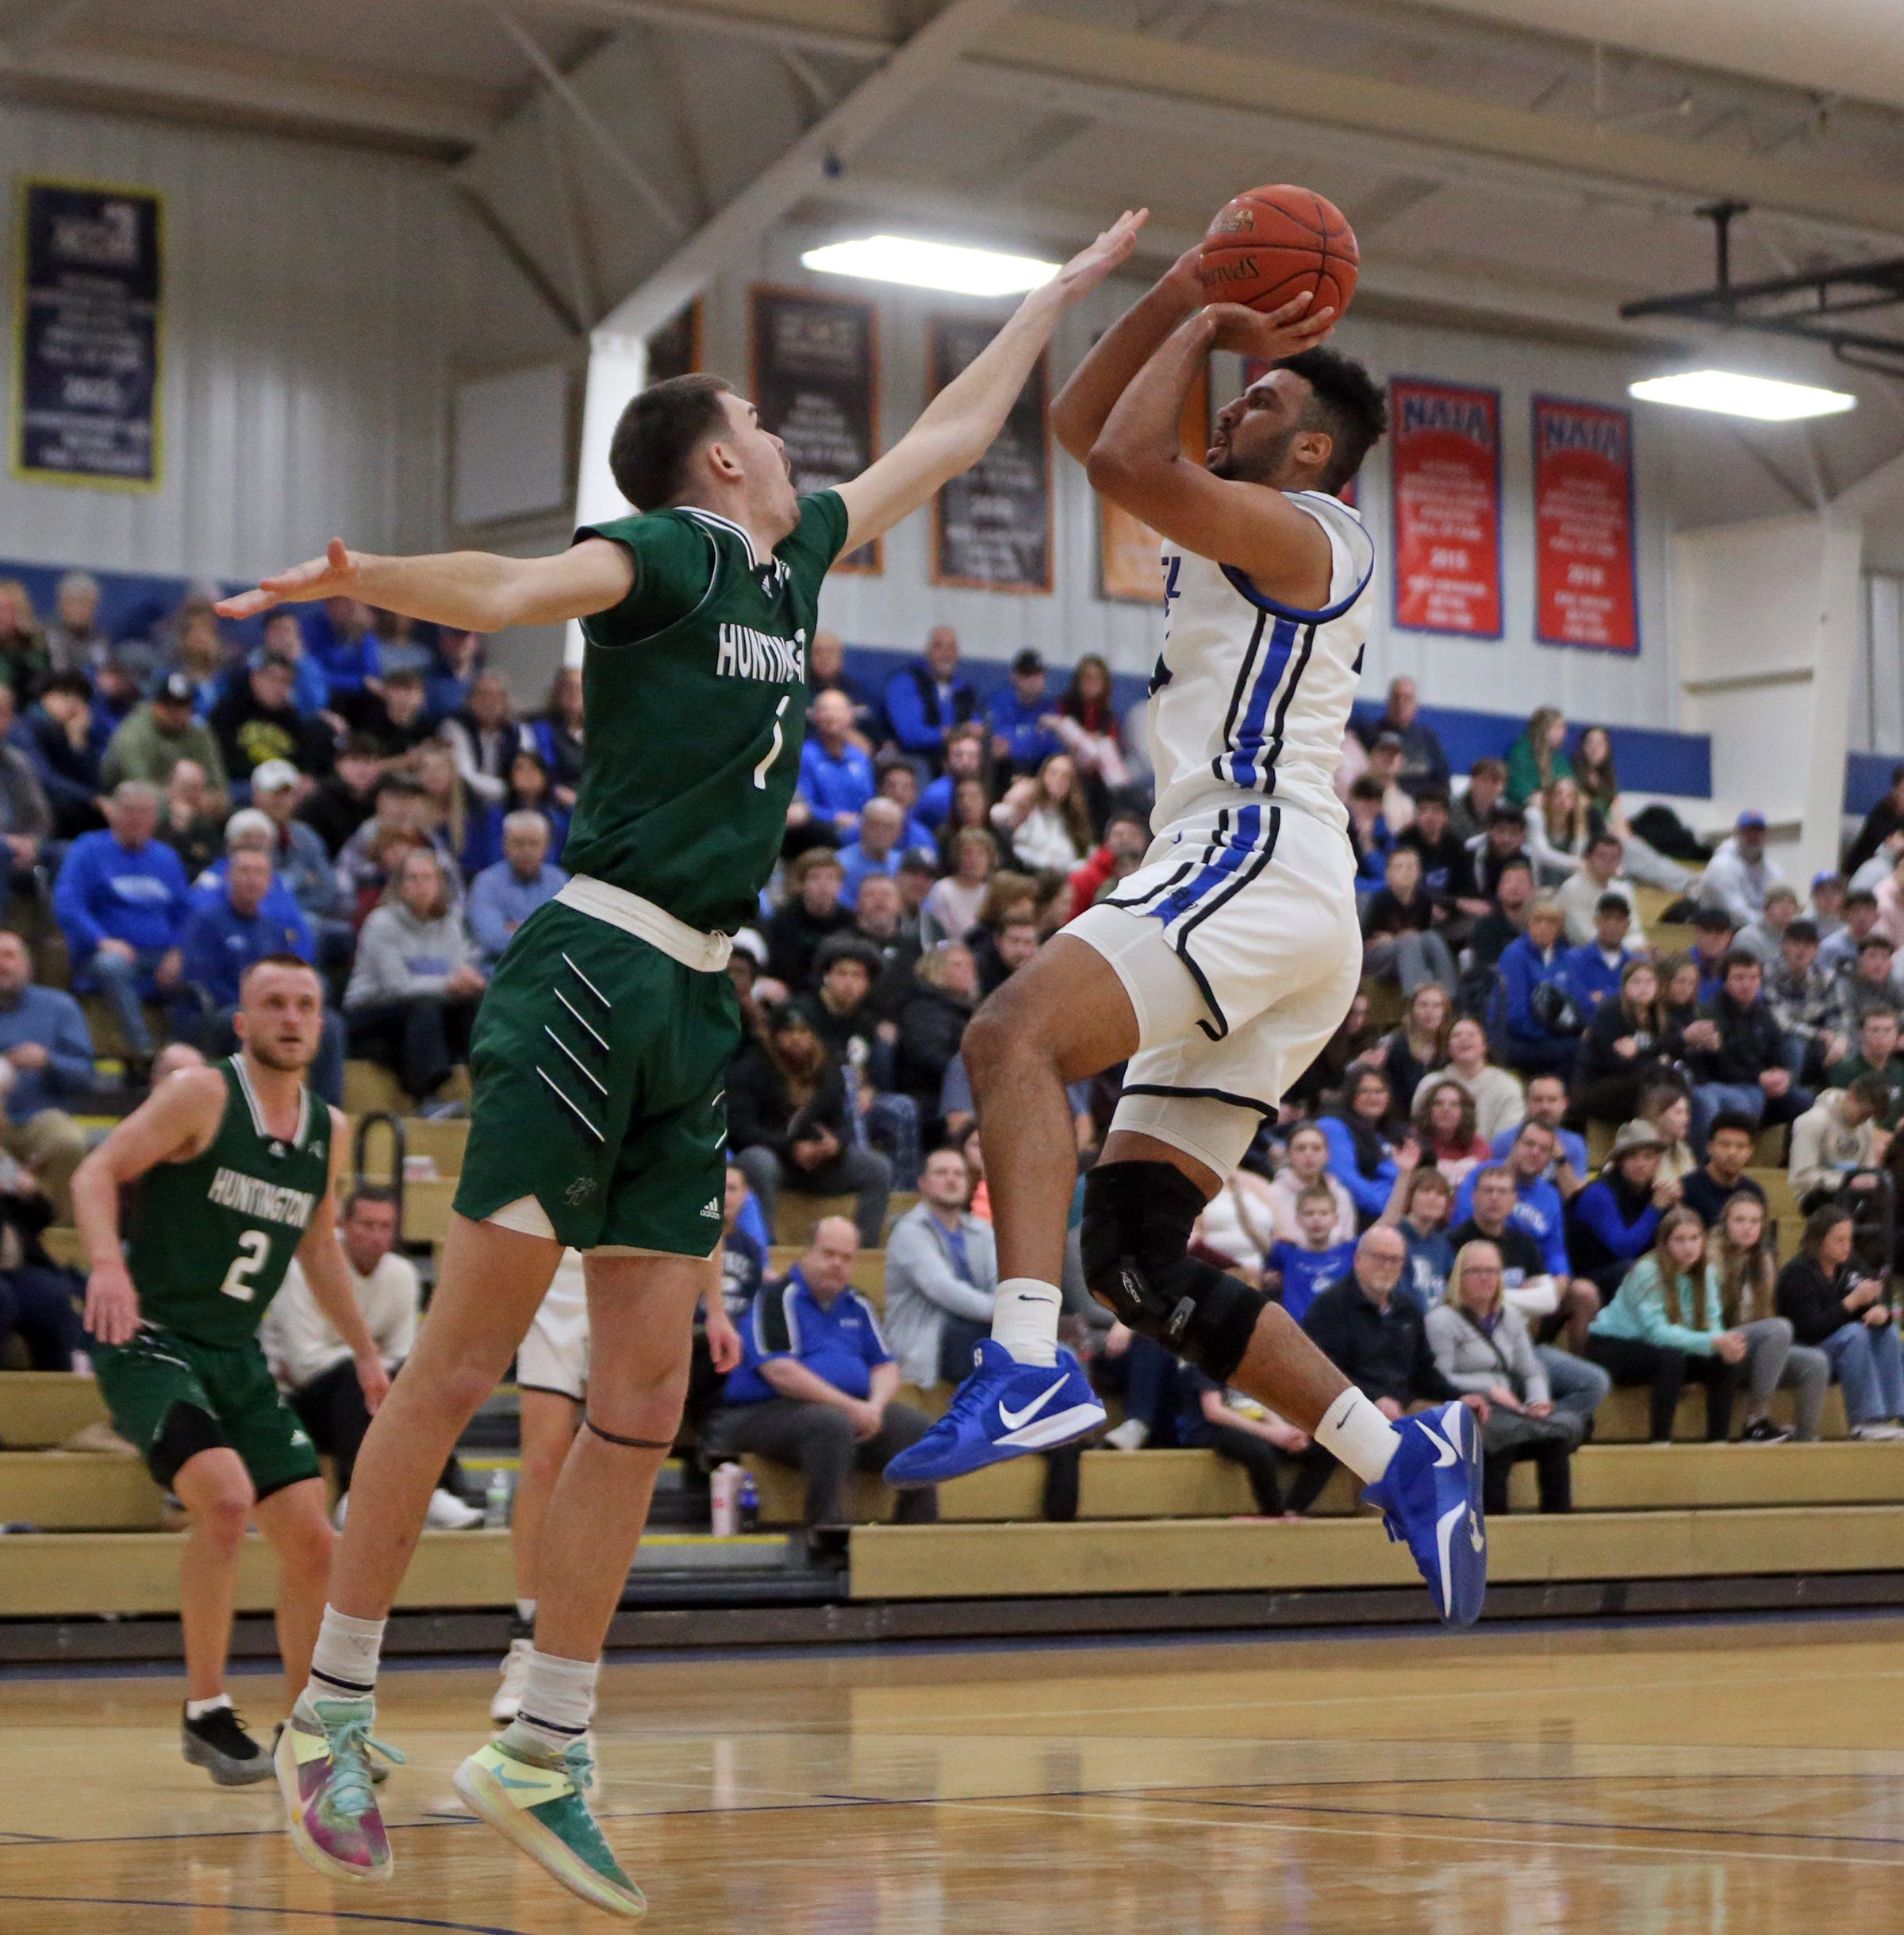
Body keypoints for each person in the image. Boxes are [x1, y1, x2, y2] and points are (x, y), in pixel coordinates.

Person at [218, 211, 1149, 1913]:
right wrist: (370, 579)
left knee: (644, 1404)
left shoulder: (792, 567)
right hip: (587, 974)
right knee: (457, 1367)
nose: (800, 450)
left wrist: (1054, 301)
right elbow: (510, 590)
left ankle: (540, 1739)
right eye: (771, 428)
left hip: (699, 999)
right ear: (721, 453)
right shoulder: (666, 548)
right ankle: (333, 1705)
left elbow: (946, 440)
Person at [886, 246, 1490, 1635]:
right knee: (1144, 1253)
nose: (1234, 408)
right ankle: (1406, 1460)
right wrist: (1180, 302)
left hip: (1256, 859)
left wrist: (1216, 317)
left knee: (1007, 1032)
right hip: (1267, 898)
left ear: (1319, 448)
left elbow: (1130, 464)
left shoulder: (1319, 532)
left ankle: (1027, 1356)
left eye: (1261, 399)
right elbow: (1088, 433)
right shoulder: (1231, 520)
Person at [74, 955, 384, 1785]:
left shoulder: (330, 1127)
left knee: (316, 1544)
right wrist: (106, 1264)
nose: (291, 1017)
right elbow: (94, 1171)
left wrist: (363, 1349)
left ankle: (312, 1731)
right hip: (152, 1336)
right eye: (273, 1003)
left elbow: (318, 1246)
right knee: (225, 1500)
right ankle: (206, 1712)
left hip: (237, 1353)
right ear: (242, 1023)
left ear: (322, 1026)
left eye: (306, 1004)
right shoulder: (204, 1095)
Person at [263, 1187, 478, 1526]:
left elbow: (402, 1357)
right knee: (356, 1376)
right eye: (366, 1225)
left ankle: (433, 1490)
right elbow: (302, 1364)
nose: (376, 1236)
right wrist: (367, 1361)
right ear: (343, 1225)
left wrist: (374, 1367)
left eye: (385, 1227)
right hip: (295, 1404)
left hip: (368, 1399)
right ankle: (355, 1492)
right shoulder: (304, 1269)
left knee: (415, 1379)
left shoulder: (402, 1275)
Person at [704, 1216, 939, 1522]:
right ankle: (825, 1532)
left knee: (918, 1428)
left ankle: (914, 1534)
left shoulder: (858, 1303)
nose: (837, 1265)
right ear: (806, 1253)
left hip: (845, 1414)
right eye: (828, 1254)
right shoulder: (776, 1298)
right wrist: (850, 1407)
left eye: (846, 1258)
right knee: (830, 1423)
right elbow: (780, 1372)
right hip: (766, 1413)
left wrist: (875, 1407)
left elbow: (885, 1365)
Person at [1282, 1223, 1486, 1514]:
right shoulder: (1330, 1308)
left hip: (1401, 1403)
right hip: (1347, 1408)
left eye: (1395, 1260)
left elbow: (1422, 1371)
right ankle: (1377, 1532)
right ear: (1358, 1259)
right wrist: (1374, 1400)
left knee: (1460, 1420)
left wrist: (1459, 1396)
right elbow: (1326, 1375)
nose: (1387, 1267)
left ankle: (1458, 1518)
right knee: (1381, 1437)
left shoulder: (1408, 1309)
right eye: (1379, 1258)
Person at [178, 846, 345, 1106]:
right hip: (217, 1013)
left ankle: (326, 1111)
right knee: (249, 1021)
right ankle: (245, 1109)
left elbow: (292, 978)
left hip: (268, 1010)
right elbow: (199, 979)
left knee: (330, 1025)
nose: (251, 879)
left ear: (269, 882)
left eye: (259, 873)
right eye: (244, 871)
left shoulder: (274, 931)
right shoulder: (205, 922)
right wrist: (257, 1005)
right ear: (229, 878)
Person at [1426, 1240, 1580, 1513]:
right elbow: (1438, 1377)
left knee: (1556, 1438)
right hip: (1473, 1410)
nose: (1485, 1278)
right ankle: (1496, 1524)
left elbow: (1532, 1369)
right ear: (1459, 1276)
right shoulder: (1441, 1319)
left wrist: (1537, 1401)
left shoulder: (1510, 1317)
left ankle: (1559, 1524)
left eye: (1493, 1271)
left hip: (1510, 1408)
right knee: (1502, 1436)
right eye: (1476, 1271)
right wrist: (1489, 1388)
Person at [52, 779, 191, 1075]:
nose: (137, 819)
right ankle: (143, 1053)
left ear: (156, 818)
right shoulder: (89, 849)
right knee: (112, 965)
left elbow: (185, 913)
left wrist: (178, 951)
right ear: (113, 813)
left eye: (145, 812)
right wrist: (103, 940)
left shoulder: (167, 858)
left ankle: (190, 1058)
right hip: (102, 956)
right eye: (129, 810)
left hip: (159, 955)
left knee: (201, 966)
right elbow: (68, 903)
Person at [1586, 1207, 1747, 1442]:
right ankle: (1660, 1444)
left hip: (1662, 1348)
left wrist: (1723, 1344)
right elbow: (1657, 1334)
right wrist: (1712, 1341)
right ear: (1665, 1243)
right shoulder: (1647, 1271)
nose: (1689, 1247)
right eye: (1679, 1240)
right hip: (1614, 1346)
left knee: (1722, 1361)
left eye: (1694, 1238)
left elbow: (1713, 1324)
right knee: (1671, 1358)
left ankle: (1718, 1443)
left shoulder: (1706, 1273)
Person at [342, 846, 487, 1106]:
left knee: (473, 1007)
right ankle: (427, 1099)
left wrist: (470, 981)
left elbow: (457, 970)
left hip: (425, 1010)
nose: (421, 885)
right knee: (424, 1009)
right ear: (400, 885)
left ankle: (486, 1092)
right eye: (413, 878)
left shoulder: (449, 923)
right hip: (371, 1011)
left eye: (428, 878)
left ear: (439, 883)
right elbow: (396, 986)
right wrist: (449, 983)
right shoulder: (381, 923)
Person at [1775, 1204, 1904, 1439]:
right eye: (1840, 1240)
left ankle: (1895, 1415)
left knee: (1888, 1334)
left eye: (1850, 1239)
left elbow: (1869, 1305)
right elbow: (1809, 1329)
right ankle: (1865, 1421)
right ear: (1818, 1240)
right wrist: (1852, 1302)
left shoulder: (1850, 1265)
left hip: (1845, 1347)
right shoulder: (1797, 1274)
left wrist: (1879, 1313)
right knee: (1855, 1334)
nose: (1848, 1246)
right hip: (1809, 1351)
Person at [1710, 1191, 1828, 1442]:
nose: (1747, 1228)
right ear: (1725, 1223)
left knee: (1815, 1362)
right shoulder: (1712, 1257)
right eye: (1739, 1220)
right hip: (1718, 1347)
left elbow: (1766, 1314)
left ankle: (1803, 1440)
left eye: (1754, 1222)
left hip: (1754, 1348)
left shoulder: (1764, 1258)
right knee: (1780, 1328)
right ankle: (1756, 1421)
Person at [883, 1144, 998, 1387]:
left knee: (1041, 1351)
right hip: (929, 1341)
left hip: (978, 1330)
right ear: (922, 1183)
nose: (951, 1180)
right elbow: (943, 1288)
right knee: (999, 1348)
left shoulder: (981, 1231)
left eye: (959, 1174)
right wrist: (1003, 1314)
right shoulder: (909, 1232)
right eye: (941, 1173)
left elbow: (999, 1280)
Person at [0, 929, 94, 1218]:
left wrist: (48, 1061)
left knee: (69, 1142)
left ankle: (60, 1233)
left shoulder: (59, 1008)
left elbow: (85, 1075)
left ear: (28, 965)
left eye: (9, 956)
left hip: (41, 1116)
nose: (2, 965)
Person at [1687, 950, 1814, 1150]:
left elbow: (1777, 1051)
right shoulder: (1709, 1012)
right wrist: (1759, 1078)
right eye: (1739, 978)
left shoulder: (1763, 1012)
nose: (1747, 984)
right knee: (1748, 1098)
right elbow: (1718, 1065)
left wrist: (1783, 1075)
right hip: (1725, 1084)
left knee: (1804, 1100)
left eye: (1753, 978)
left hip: (1761, 1084)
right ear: (1725, 980)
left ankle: (1788, 1162)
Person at [1569, 958, 1676, 1125]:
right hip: (1596, 1086)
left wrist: (1641, 1053)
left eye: (1649, 981)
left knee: (1673, 1081)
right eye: (1637, 982)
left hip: (1634, 1081)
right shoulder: (1610, 1012)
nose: (1644, 987)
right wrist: (1655, 1060)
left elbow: (1670, 1047)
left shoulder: (1658, 1015)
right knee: (1653, 1080)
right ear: (1625, 987)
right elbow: (1617, 1063)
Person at [101, 670, 230, 798]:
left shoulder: (200, 733)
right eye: (169, 705)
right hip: (133, 809)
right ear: (156, 704)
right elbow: (138, 788)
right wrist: (177, 797)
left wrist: (195, 800)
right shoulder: (134, 733)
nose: (177, 712)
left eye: (183, 705)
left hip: (191, 808)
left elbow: (220, 791)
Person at [209, 651, 333, 784]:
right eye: (274, 679)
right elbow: (221, 759)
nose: (280, 688)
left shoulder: (292, 720)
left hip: (283, 786)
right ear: (255, 678)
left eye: (287, 682)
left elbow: (301, 764)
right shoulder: (228, 712)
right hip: (242, 783)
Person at [467, 810, 568, 969]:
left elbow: (565, 935)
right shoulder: (486, 882)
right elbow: (493, 939)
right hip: (499, 972)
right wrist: (541, 931)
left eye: (534, 843)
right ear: (505, 845)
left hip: (549, 971)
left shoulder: (558, 881)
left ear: (546, 846)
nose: (526, 851)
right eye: (519, 843)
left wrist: (515, 927)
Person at [19, 670, 110, 841]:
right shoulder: (26, 729)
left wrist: (78, 743)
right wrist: (92, 799)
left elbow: (96, 781)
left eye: (80, 697)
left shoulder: (75, 730)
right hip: (39, 810)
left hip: (73, 808)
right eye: (66, 695)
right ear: (46, 697)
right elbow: (44, 778)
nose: (74, 703)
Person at [1361, 845, 1456, 994]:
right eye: (1399, 867)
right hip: (1378, 958)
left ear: (1419, 873)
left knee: (1432, 938)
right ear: (1388, 874)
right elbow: (1365, 938)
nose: (1405, 872)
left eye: (1411, 867)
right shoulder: (1380, 900)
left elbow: (1423, 934)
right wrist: (1395, 938)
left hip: (1408, 955)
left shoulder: (1424, 900)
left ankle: (1449, 997)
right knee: (1410, 941)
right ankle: (1416, 999)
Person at [1499, 895, 1577, 1077]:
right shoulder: (1515, 955)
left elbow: (1580, 1001)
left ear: (1559, 927)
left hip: (1557, 1036)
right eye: (1538, 919)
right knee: (1578, 1051)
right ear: (1528, 922)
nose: (1543, 926)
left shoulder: (1566, 956)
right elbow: (1515, 1016)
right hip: (1520, 1039)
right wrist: (1556, 1033)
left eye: (1551, 921)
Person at [1319, 1065, 1406, 1226]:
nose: (1373, 1097)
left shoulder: (1392, 1132)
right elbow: (1346, 1180)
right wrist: (1390, 1205)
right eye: (1364, 1091)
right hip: (1356, 1220)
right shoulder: (1332, 1126)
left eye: (1379, 1091)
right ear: (1351, 1096)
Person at [885, 627, 978, 774]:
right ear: (927, 652)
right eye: (939, 646)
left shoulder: (964, 690)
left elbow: (977, 725)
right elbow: (911, 735)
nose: (946, 654)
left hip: (955, 762)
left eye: (951, 648)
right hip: (914, 761)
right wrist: (953, 733)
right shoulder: (906, 683)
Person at [1264, 1181, 1357, 1325]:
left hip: (1338, 1334)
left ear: (1336, 1219)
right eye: (1309, 1213)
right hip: (1297, 1334)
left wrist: (1404, 1174)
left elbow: (1386, 1225)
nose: (1316, 1219)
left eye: (1324, 1213)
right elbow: (1257, 1242)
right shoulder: (1286, 1253)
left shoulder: (1349, 1251)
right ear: (1298, 1219)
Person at [765, 847, 854, 992]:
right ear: (801, 884)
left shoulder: (849, 921)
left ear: (840, 884)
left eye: (830, 878)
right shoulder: (784, 919)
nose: (823, 885)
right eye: (815, 877)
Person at [989, 751, 1092, 873]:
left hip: (1062, 878)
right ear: (1043, 775)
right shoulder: (1027, 804)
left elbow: (1083, 852)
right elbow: (995, 816)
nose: (1058, 780)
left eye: (1065, 776)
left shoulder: (1074, 817)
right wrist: (1016, 798)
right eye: (1053, 773)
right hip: (1026, 874)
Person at [1355, 674, 1447, 801]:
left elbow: (1442, 781)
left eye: (1407, 699)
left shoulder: (1428, 738)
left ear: (1416, 705)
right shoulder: (1369, 734)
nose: (1400, 704)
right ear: (1388, 701)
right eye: (1396, 697)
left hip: (1420, 808)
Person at [1491, 1072, 1587, 1193]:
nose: (1545, 1107)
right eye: (1538, 1100)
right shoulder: (1504, 1141)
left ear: (1564, 1104)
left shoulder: (1575, 1144)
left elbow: (1576, 1198)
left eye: (1552, 1100)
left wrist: (1560, 1159)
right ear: (1527, 1103)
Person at [797, 689, 876, 838]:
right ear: (814, 716)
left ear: (851, 716)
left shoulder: (859, 756)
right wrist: (834, 817)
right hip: (823, 831)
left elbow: (869, 800)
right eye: (825, 710)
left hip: (861, 830)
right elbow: (803, 807)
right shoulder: (805, 755)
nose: (832, 716)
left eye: (838, 710)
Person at [1381, 1158, 1456, 1311]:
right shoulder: (1394, 1236)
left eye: (1440, 1194)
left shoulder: (1442, 1243)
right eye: (1425, 1191)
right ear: (1410, 1196)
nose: (1433, 1198)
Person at [1265, 1120, 1355, 1246]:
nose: (1309, 1154)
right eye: (1301, 1149)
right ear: (1288, 1154)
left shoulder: (1341, 1195)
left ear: (1327, 1154)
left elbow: (1347, 1241)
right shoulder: (1271, 1195)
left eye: (1316, 1148)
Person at [1441, 1015, 1524, 1146]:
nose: (1464, 1039)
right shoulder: (1431, 1084)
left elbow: (1507, 1139)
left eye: (1471, 1035)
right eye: (1457, 1035)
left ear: (1484, 1045)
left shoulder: (1507, 1086)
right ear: (1449, 1048)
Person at [1678, 1111, 1768, 1229]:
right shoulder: (1687, 1189)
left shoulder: (1754, 1193)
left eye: (1741, 1146)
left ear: (1750, 1152)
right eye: (1725, 1145)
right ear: (1710, 1147)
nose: (1732, 1153)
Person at [1557, 832, 1645, 949]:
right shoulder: (1572, 888)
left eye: (1614, 857)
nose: (1608, 862)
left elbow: (1635, 930)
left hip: (1624, 952)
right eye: (1602, 856)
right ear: (1588, 858)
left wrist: (1640, 948)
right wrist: (1629, 948)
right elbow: (1583, 937)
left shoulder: (1624, 889)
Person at [988, 647, 1065, 778]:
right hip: (1005, 773)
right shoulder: (998, 703)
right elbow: (997, 746)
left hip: (1039, 775)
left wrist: (1014, 745)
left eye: (1038, 674)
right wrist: (1034, 738)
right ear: (1014, 677)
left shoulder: (1050, 707)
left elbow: (1054, 747)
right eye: (1027, 674)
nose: (1033, 680)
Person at [1560, 893, 1638, 1017]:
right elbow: (1579, 1003)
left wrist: (1604, 996)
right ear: (1596, 922)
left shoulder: (1636, 963)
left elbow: (1640, 1003)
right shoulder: (1574, 959)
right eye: (1607, 918)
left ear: (1627, 924)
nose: (1613, 925)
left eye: (1619, 919)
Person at [1701, 810, 1783, 927]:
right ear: (1737, 833)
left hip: (1759, 930)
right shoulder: (1721, 865)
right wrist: (1772, 926)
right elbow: (1736, 913)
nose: (1754, 835)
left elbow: (1778, 906)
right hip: (1720, 931)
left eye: (1758, 831)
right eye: (1748, 831)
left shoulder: (1773, 871)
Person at [1412, 1077, 1489, 1188]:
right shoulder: (1413, 1141)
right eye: (1438, 1103)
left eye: (1454, 1105)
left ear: (1465, 1112)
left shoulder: (1478, 1146)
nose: (1446, 1109)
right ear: (1428, 1109)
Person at [1505, 705, 1570, 807]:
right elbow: (1519, 787)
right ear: (1541, 727)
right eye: (1556, 727)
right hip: (1525, 808)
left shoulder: (1560, 758)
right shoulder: (1522, 751)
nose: (1560, 732)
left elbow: (1570, 784)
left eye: (1562, 727)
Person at [1735, 884, 1799, 968]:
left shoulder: (1799, 938)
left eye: (1791, 903)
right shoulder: (1749, 937)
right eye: (1779, 903)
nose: (1786, 908)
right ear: (1766, 909)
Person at [1448, 755, 1506, 847]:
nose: (1488, 787)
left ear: (1503, 786)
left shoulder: (1505, 812)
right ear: (1472, 781)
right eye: (1484, 780)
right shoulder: (1451, 808)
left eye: (1495, 781)